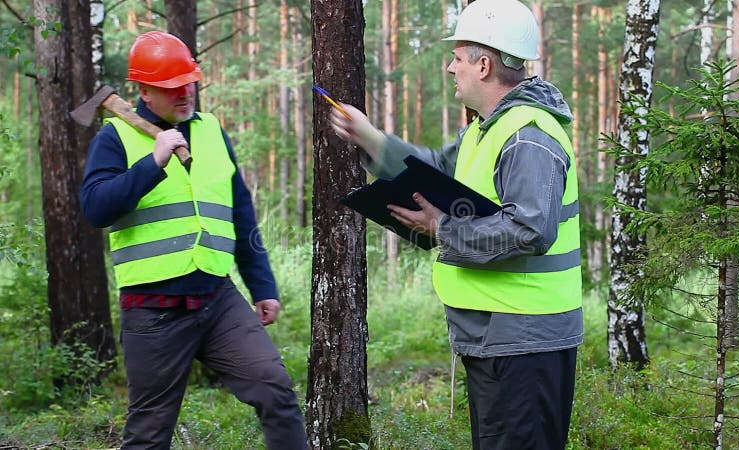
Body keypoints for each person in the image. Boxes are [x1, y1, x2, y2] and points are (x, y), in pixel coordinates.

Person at [330, 1, 582, 448]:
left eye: (458, 58)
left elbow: (530, 230)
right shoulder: (486, 129)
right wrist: (368, 136)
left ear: (483, 65)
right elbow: (433, 169)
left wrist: (442, 227)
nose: (450, 68)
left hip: (525, 341)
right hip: (497, 336)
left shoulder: (529, 135)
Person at [80, 31, 307, 450]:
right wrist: (154, 162)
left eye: (190, 81)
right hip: (153, 310)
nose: (186, 92)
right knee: (149, 432)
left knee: (274, 388)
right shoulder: (116, 138)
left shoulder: (212, 132)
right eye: (172, 86)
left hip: (217, 298)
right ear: (144, 90)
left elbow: (240, 212)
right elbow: (95, 208)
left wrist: (262, 286)